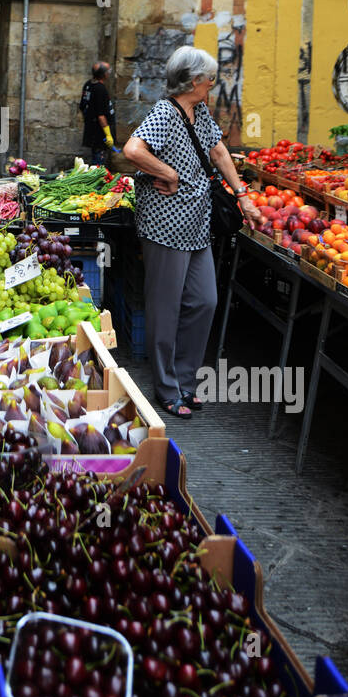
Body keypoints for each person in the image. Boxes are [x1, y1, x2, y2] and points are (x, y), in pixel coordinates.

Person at [122, 46, 259, 421]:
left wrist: (242, 195)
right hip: (166, 225)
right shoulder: (165, 113)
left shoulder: (199, 113)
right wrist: (166, 173)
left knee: (205, 301)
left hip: (198, 223)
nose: (212, 85)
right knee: (165, 309)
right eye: (210, 78)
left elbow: (218, 153)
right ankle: (167, 389)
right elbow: (132, 149)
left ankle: (185, 380)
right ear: (194, 81)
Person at [80, 61, 116, 167]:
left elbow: (83, 107)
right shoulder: (100, 89)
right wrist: (108, 134)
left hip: (92, 130)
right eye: (108, 71)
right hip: (100, 134)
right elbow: (101, 115)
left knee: (96, 159)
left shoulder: (88, 85)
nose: (109, 73)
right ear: (104, 74)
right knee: (99, 163)